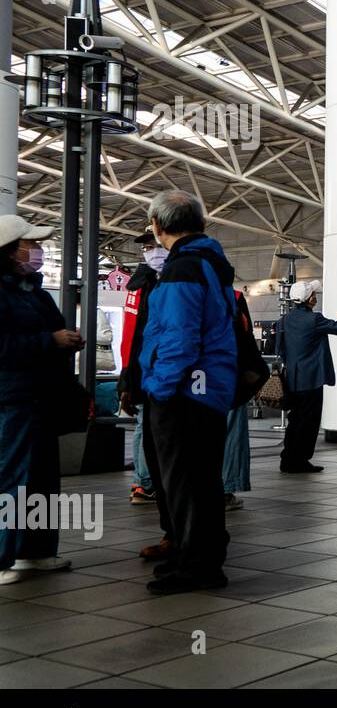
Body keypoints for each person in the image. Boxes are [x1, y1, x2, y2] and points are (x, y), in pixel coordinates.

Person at [138, 190, 237, 594]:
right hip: (206, 390)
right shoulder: (209, 262)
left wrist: (159, 389)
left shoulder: (183, 270)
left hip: (184, 392)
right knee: (200, 479)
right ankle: (194, 556)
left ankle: (198, 567)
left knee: (186, 480)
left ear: (158, 226)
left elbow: (179, 336)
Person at [0, 216, 82, 586]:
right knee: (12, 478)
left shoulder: (35, 292)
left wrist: (66, 340)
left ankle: (35, 551)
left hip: (40, 397)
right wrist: (50, 341)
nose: (38, 251)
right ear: (7, 251)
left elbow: (52, 329)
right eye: (29, 245)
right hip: (12, 399)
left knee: (43, 479)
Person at [276, 279, 337, 473]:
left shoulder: (283, 321)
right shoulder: (314, 319)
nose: (316, 297)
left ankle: (288, 458)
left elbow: (279, 348)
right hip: (310, 379)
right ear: (309, 299)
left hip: (291, 379)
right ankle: (300, 460)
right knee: (308, 422)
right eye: (314, 295)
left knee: (295, 420)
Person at [119, 231, 167, 507]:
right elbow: (132, 335)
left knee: (145, 425)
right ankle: (145, 483)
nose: (150, 252)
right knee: (146, 425)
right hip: (151, 369)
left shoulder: (141, 284)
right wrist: (127, 378)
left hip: (147, 368)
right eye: (147, 248)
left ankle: (146, 482)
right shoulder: (142, 285)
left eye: (153, 246)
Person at [221, 288, 255, 511]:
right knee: (231, 431)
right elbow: (245, 335)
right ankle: (225, 490)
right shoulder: (232, 296)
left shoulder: (178, 289)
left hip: (191, 378)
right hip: (228, 374)